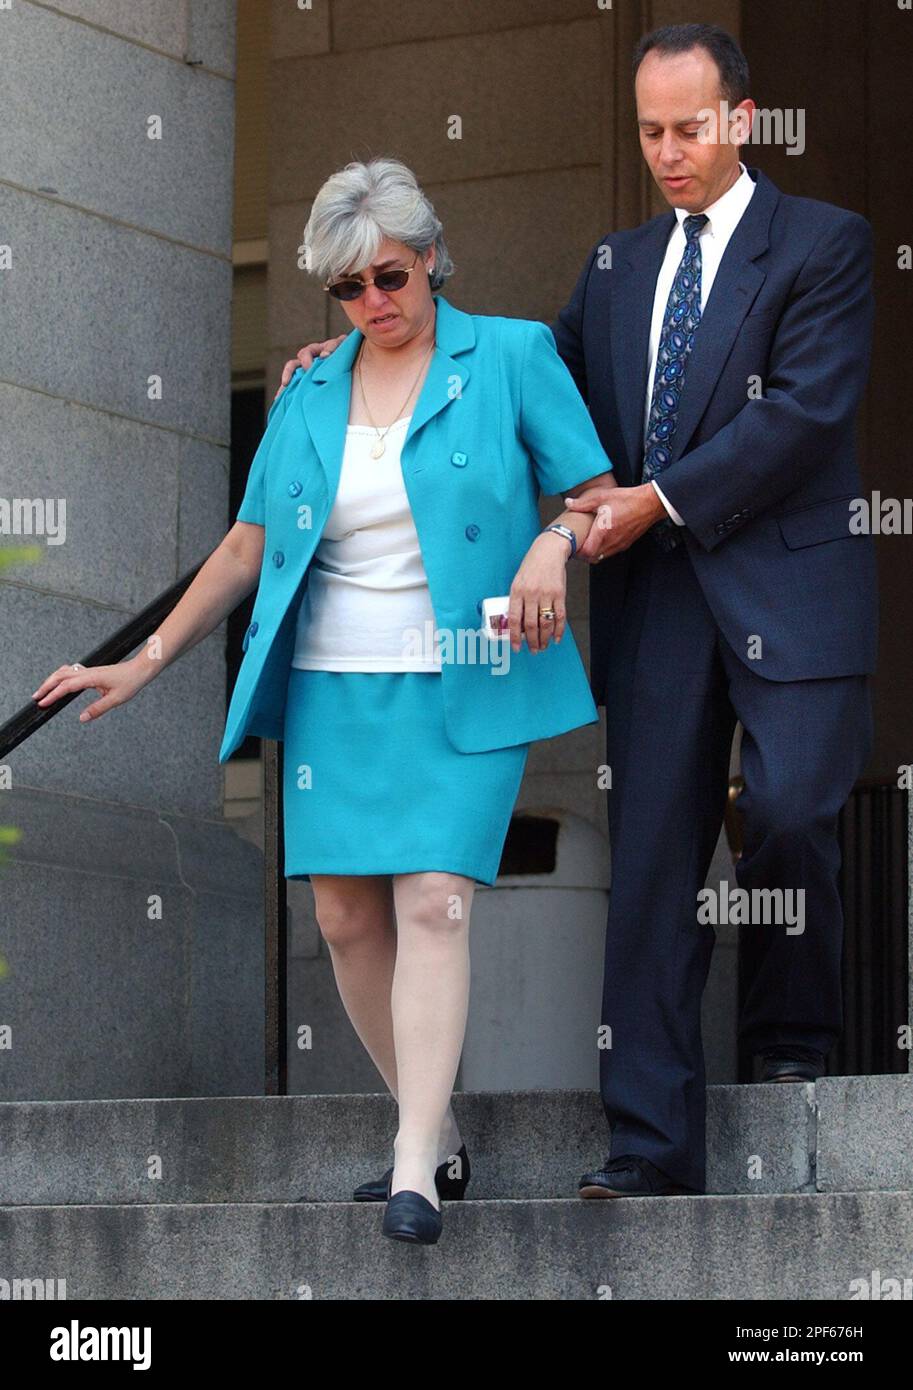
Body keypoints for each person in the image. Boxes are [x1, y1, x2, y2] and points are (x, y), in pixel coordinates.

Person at [282, 27, 877, 1201]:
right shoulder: (614, 268)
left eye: (690, 128)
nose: (668, 152)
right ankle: (650, 1144)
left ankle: (791, 1046)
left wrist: (650, 499)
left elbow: (800, 417)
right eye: (650, 130)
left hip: (790, 589)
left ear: (742, 119)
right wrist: (366, 351)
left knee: (797, 814)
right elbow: (513, 377)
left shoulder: (827, 244)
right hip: (657, 606)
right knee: (652, 860)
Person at [32, 157, 616, 1244]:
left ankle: (410, 1171)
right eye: (346, 288)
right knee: (346, 918)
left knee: (436, 899)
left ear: (433, 255)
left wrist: (552, 542)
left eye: (389, 276)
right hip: (334, 693)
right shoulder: (307, 390)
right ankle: (432, 1131)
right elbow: (249, 545)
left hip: (463, 679)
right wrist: (145, 658)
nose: (373, 304)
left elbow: (596, 499)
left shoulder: (514, 359)